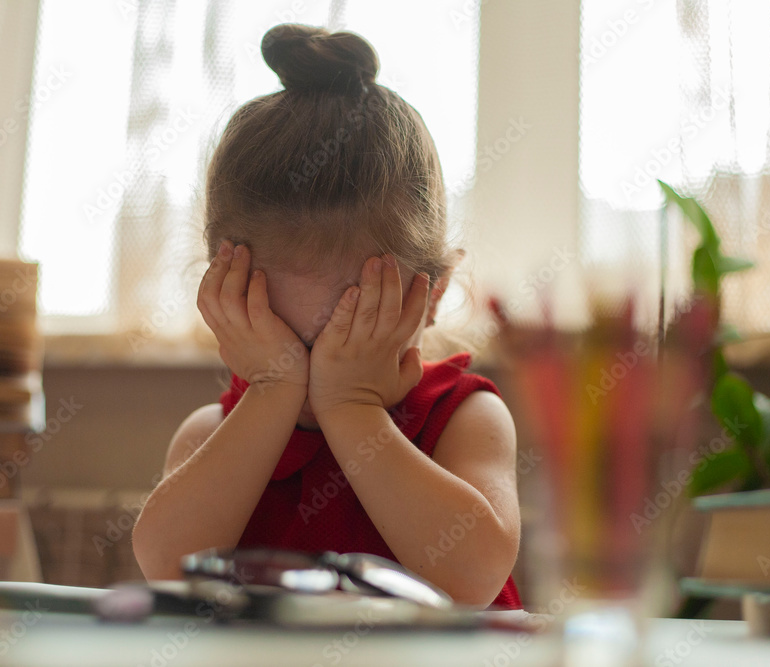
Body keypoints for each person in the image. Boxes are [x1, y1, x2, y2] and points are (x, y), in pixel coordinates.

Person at [132, 23, 521, 609]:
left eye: (348, 334)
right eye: (285, 341)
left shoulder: (465, 418)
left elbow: (472, 580)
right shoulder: (213, 435)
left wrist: (353, 408)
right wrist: (269, 390)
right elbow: (166, 569)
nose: (316, 372)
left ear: (432, 293)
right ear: (224, 300)